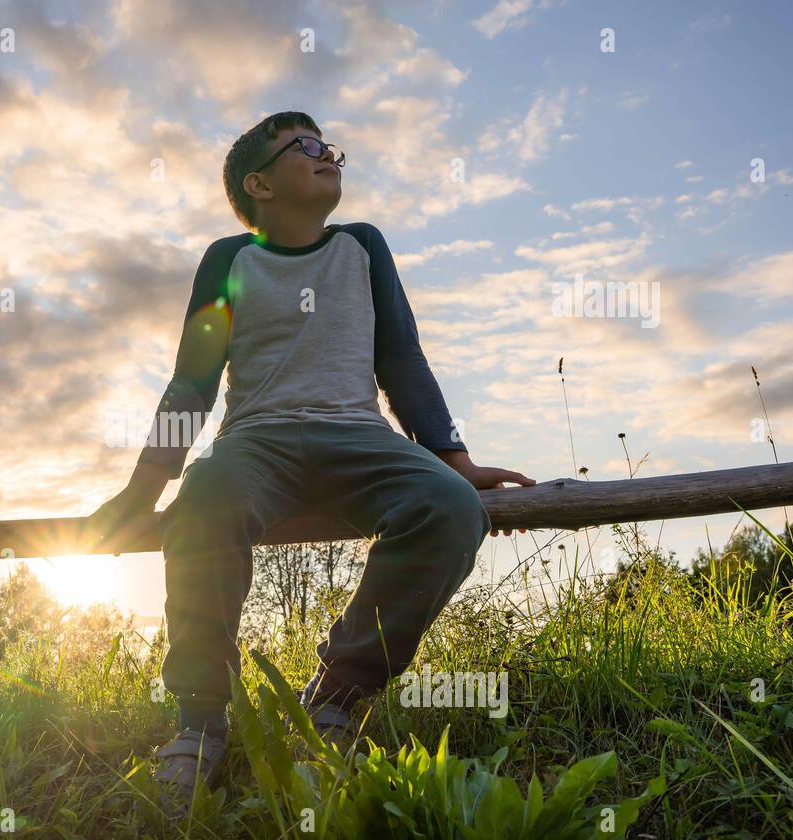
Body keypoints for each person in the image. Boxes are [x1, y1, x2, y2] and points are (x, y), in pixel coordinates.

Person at [89, 111, 534, 798]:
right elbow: (193, 381)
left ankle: (336, 694)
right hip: (257, 443)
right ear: (259, 185)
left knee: (449, 509)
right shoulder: (229, 260)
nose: (329, 155)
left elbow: (401, 358)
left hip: (358, 438)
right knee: (204, 502)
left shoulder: (362, 247)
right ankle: (201, 718)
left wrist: (455, 459)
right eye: (307, 148)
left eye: (330, 147)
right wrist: (140, 494)